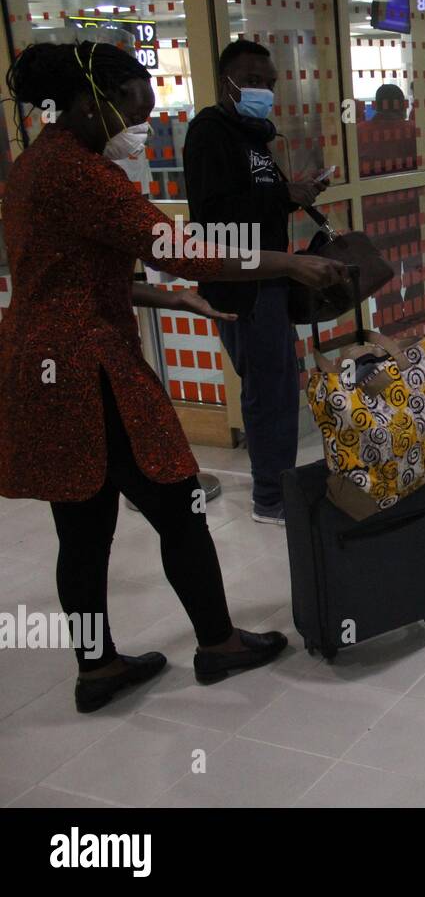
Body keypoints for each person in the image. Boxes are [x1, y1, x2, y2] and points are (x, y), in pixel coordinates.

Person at [0, 41, 348, 712]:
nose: (141, 128)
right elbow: (186, 252)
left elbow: (63, 276)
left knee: (82, 523)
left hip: (43, 365)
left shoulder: (33, 167)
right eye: (134, 111)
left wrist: (168, 299)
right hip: (88, 367)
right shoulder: (81, 176)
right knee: (177, 501)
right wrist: (288, 263)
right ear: (89, 101)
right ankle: (218, 644)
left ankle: (97, 666)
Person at [183, 39, 330, 526]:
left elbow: (258, 201)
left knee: (279, 385)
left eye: (269, 83)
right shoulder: (210, 133)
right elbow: (214, 215)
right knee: (268, 389)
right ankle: (270, 496)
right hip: (241, 283)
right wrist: (281, 195)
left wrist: (293, 195)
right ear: (226, 81)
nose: (263, 90)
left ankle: (277, 486)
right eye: (251, 81)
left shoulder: (254, 136)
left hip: (269, 275)